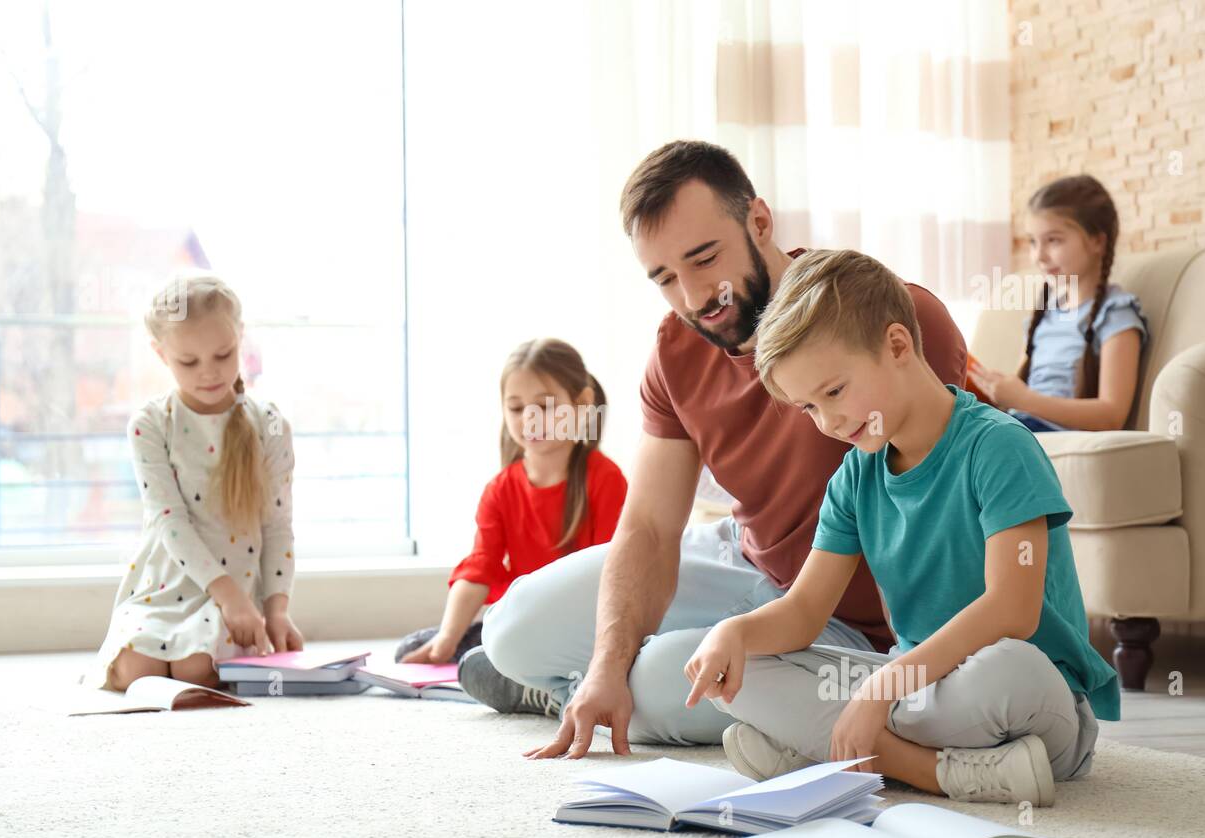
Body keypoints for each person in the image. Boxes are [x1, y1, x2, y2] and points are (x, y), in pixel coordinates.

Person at [457, 140, 967, 758]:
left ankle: (567, 695)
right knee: (510, 627)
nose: (694, 296)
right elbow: (649, 527)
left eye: (705, 259)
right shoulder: (675, 353)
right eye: (665, 278)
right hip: (745, 560)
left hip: (852, 623)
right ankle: (585, 687)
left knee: (662, 680)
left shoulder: (896, 319)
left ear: (760, 222)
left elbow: (946, 518)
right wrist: (605, 664)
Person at [686, 248, 1118, 806]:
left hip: (1031, 699)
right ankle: (941, 770)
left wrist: (880, 690)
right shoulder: (854, 477)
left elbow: (1013, 611)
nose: (828, 422)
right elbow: (803, 613)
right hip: (919, 693)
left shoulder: (998, 446)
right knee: (741, 674)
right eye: (808, 408)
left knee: (1007, 669)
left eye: (834, 392)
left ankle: (843, 753)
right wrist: (735, 634)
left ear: (897, 345)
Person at [84, 273, 300, 691]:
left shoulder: (270, 425)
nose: (209, 372)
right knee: (136, 673)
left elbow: (277, 525)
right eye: (189, 362)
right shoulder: (151, 423)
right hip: (162, 587)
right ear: (161, 354)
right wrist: (227, 595)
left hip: (234, 596)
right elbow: (170, 521)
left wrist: (275, 610)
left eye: (223, 354)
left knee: (194, 670)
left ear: (240, 337)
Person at [394, 339, 627, 680]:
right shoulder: (500, 489)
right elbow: (480, 568)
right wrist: (447, 638)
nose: (530, 419)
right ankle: (519, 673)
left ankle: (533, 678)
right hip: (520, 623)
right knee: (414, 647)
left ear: (581, 404)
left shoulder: (605, 479)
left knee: (509, 654)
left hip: (583, 625)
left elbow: (609, 574)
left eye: (545, 406)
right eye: (516, 409)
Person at [969, 174, 1148, 432]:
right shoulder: (1044, 314)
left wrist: (1024, 400)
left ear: (1097, 241)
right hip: (1020, 426)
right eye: (1033, 242)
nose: (1039, 256)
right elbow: (1019, 395)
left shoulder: (1115, 314)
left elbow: (1111, 415)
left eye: (1053, 240)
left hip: (1047, 434)